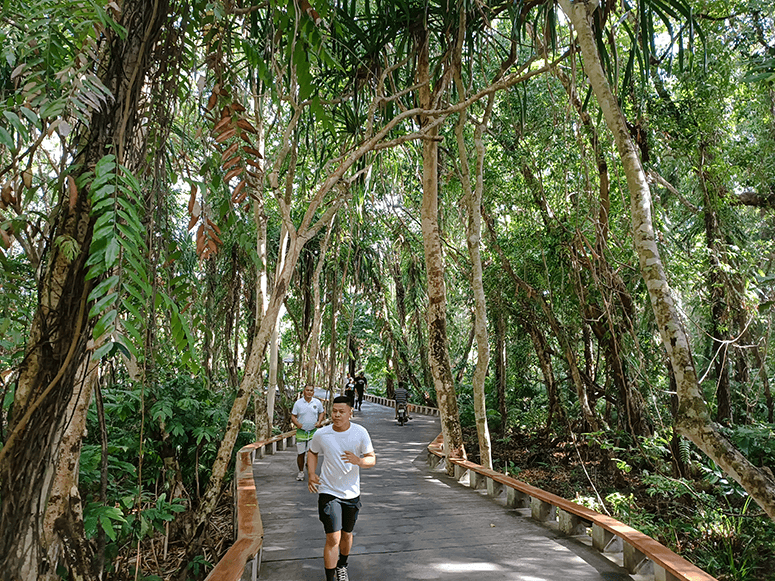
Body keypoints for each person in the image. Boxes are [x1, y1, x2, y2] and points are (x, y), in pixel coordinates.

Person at [308, 395, 376, 581]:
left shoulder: (360, 433)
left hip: (351, 493)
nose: (337, 415)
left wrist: (359, 461)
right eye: (334, 411)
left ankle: (342, 565)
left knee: (347, 535)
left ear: (350, 412)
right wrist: (311, 473)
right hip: (328, 491)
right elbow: (312, 452)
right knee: (333, 538)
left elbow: (372, 459)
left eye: (341, 412)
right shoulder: (322, 434)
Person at [291, 385, 326, 481]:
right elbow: (293, 416)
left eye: (311, 390)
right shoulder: (298, 403)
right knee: (301, 453)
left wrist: (319, 421)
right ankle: (301, 472)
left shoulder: (317, 402)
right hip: (301, 432)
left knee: (312, 452)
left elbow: (322, 412)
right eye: (307, 390)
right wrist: (297, 423)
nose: (309, 392)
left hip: (313, 432)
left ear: (313, 392)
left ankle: (311, 471)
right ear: (304, 391)